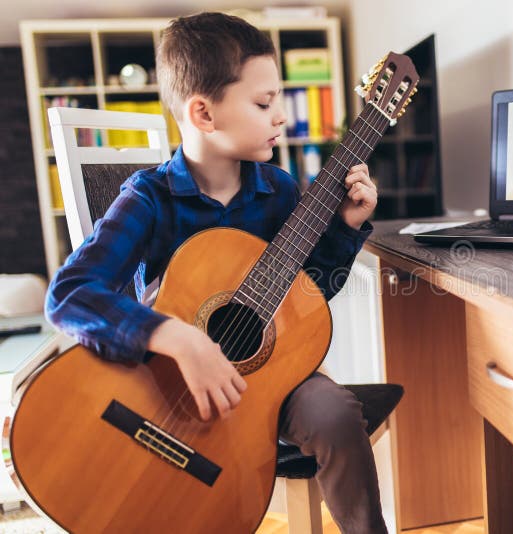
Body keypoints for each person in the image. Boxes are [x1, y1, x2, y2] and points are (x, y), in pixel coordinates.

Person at [45, 12, 386, 534]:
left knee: (336, 412)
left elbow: (308, 297)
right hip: (165, 388)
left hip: (268, 383)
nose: (281, 118)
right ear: (203, 113)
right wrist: (179, 339)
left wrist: (345, 228)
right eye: (264, 104)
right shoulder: (149, 198)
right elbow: (69, 295)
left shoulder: (281, 192)